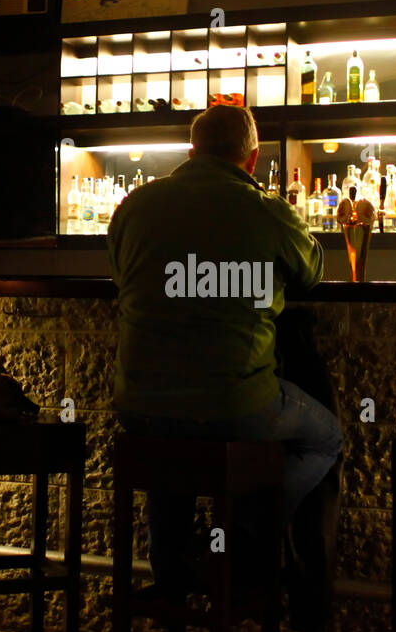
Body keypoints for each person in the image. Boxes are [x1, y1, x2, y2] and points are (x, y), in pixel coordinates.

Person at [108, 104, 343, 604]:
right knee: (326, 438)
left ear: (190, 152)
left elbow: (122, 279)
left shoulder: (133, 207)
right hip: (235, 407)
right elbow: (313, 272)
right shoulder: (266, 210)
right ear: (253, 159)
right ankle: (245, 530)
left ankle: (171, 577)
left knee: (166, 436)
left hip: (139, 407)